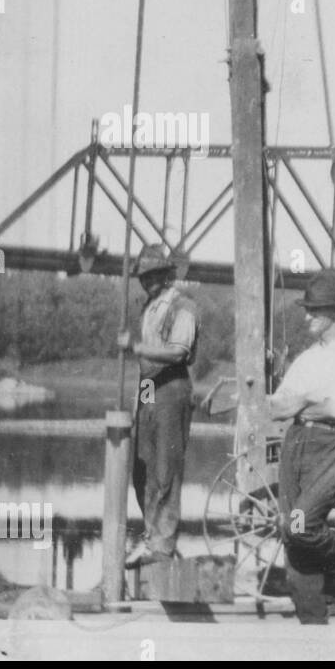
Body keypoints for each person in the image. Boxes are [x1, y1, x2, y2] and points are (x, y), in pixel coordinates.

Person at [267, 272, 335, 624]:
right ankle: (313, 627)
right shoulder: (308, 358)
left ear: (332, 311)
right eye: (307, 310)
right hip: (298, 442)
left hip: (333, 446)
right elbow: (277, 407)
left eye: (313, 311)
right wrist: (313, 398)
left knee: (300, 525)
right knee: (289, 527)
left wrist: (305, 399)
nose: (307, 317)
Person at [121, 244, 199, 569]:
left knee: (165, 467)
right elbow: (146, 361)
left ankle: (162, 544)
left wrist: (137, 347)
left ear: (167, 275)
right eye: (143, 276)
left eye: (154, 275)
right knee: (142, 465)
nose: (148, 281)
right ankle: (152, 534)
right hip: (150, 387)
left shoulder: (184, 305)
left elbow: (179, 351)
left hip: (173, 387)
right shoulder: (148, 309)